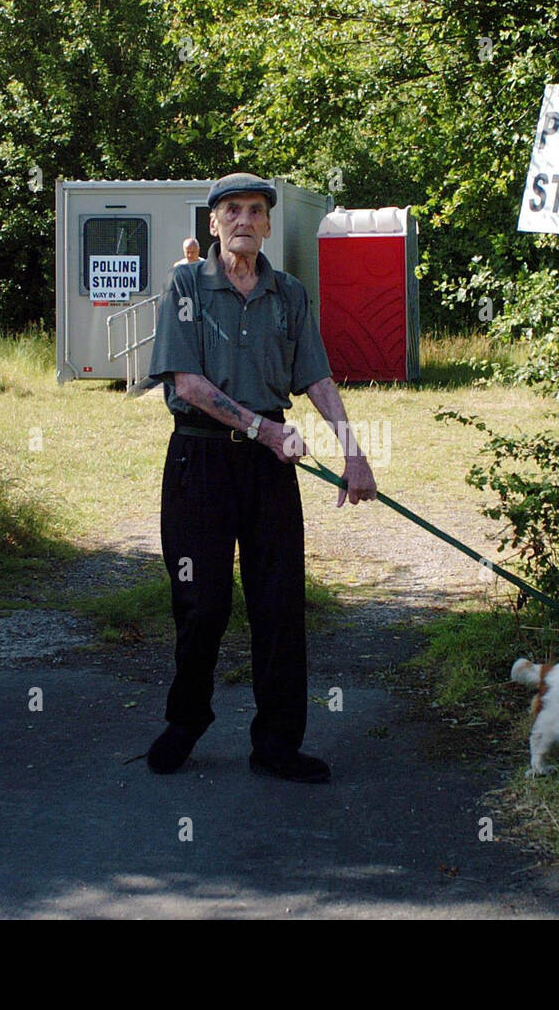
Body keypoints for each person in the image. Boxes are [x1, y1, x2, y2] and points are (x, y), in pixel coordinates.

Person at [144, 172, 377, 783]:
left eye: (255, 210)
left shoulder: (290, 294)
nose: (244, 219)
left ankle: (276, 744)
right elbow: (187, 385)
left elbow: (318, 380)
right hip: (201, 460)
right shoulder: (185, 285)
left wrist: (354, 454)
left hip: (269, 467)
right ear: (214, 223)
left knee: (279, 603)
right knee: (203, 602)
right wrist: (266, 431)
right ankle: (185, 722)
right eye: (232, 210)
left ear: (269, 224)